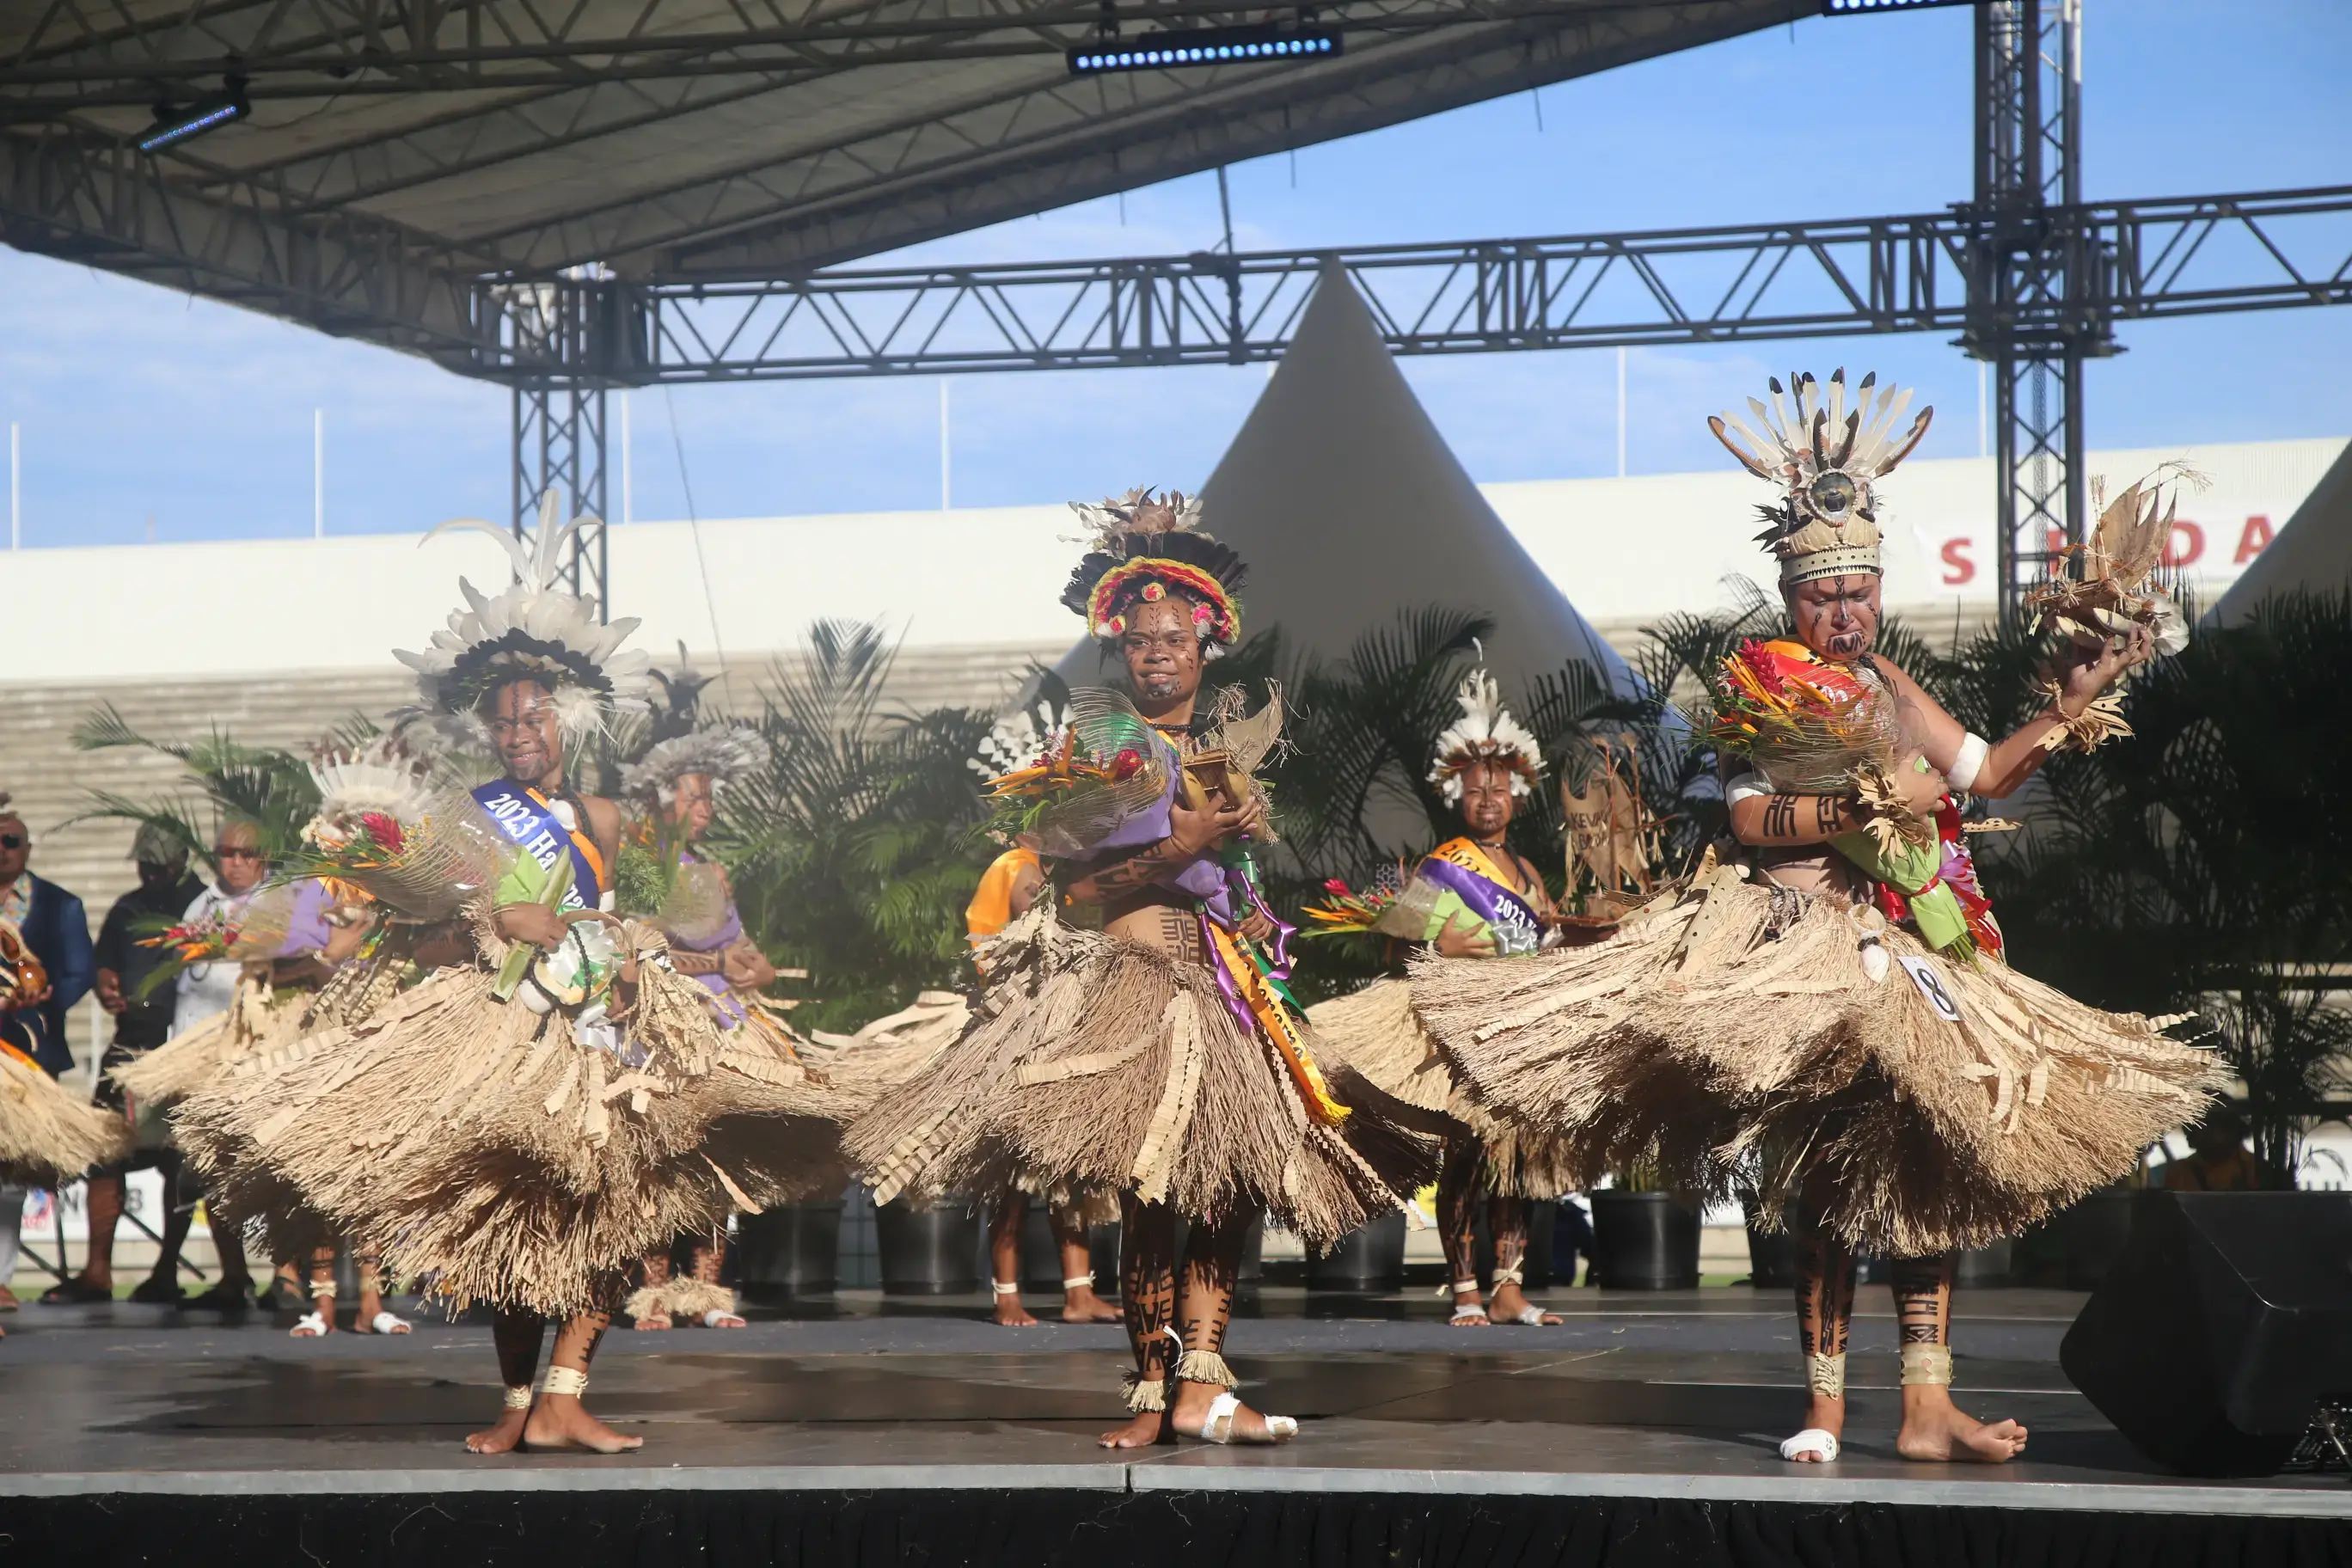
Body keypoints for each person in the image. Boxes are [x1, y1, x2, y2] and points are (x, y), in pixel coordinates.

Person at [1413, 371, 2222, 1467]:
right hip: (1804, 952)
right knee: (1835, 1177)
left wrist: (2065, 710)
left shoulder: (1888, 679)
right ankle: (1828, 1403)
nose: (1843, 613)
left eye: (1858, 591)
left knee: (1929, 1168)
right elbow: (1749, 818)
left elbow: (1979, 773)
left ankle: (1928, 1407)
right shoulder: (1761, 679)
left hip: (1907, 945)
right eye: (1822, 595)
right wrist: (1861, 806)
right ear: (1791, 595)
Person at [172, 501, 856, 1455]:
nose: (517, 733)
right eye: (503, 722)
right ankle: (510, 1402)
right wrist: (492, 924)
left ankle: (567, 1392)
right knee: (513, 1223)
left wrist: (630, 945)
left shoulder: (608, 819)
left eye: (532, 716)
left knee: (618, 1215)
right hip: (503, 1028)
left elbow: (632, 920)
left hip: (599, 1031)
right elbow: (420, 941)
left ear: (566, 719)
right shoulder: (466, 816)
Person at [847, 488, 1440, 1448]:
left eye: (1175, 637)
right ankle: (1149, 1391)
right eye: (1138, 640)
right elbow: (1078, 891)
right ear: (1117, 650)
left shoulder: (1221, 753)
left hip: (1223, 988)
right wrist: (1181, 844)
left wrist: (1239, 849)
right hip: (1132, 986)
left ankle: (1202, 1387)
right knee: (1151, 1199)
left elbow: (1233, 888)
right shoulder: (1095, 748)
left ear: (1208, 645)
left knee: (1222, 1191)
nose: (1156, 653)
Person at [1304, 671, 1577, 1327]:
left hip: (1517, 1025)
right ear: (1459, 797)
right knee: (1468, 1154)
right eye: (1477, 791)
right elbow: (1399, 943)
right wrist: (1449, 945)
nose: (1489, 801)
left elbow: (1545, 936)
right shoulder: (1442, 864)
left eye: (1500, 790)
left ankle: (1509, 1286)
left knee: (1516, 1159)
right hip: (1462, 1026)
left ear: (1518, 797)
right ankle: (1464, 1288)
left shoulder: (1530, 872)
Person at [963, 706, 1122, 1329]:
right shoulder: (1017, 868)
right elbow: (1036, 929)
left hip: (1056, 1021)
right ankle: (1006, 1296)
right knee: (1011, 1170)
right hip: (1014, 1026)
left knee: (1066, 1163)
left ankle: (1079, 1292)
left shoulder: (1049, 868)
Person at [616, 728, 774, 1332]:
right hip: (663, 1024)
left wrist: (756, 965)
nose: (705, 808)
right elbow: (635, 950)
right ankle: (653, 1295)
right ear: (662, 802)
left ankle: (705, 1293)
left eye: (710, 798)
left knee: (715, 1155)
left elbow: (738, 944)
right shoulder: (639, 866)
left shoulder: (711, 870)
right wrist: (715, 966)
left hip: (725, 1022)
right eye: (694, 798)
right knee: (659, 1154)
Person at [41, 827, 203, 1306]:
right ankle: (98, 1271)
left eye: (159, 867)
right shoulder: (128, 907)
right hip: (129, 1043)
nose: (149, 873)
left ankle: (167, 1270)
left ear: (180, 865)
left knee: (181, 1161)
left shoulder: (202, 907)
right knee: (104, 1152)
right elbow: (103, 964)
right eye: (144, 865)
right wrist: (107, 985)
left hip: (184, 1049)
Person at [0, 795, 96, 1311]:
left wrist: (46, 993)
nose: (2, 849)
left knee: (14, 1169)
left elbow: (81, 971)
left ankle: (1, 1273)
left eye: (11, 841)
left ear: (27, 847)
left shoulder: (60, 905)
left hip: (29, 1053)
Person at [2162, 1102, 2262, 1191]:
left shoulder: (2255, 1167)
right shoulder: (2180, 1171)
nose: (2189, 1130)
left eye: (2202, 1124)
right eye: (2189, 1125)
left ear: (2229, 1128)